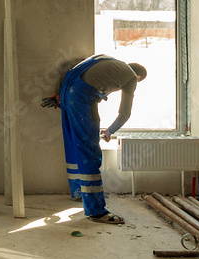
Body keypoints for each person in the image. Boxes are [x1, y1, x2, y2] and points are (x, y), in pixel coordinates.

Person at [42, 55, 147, 224]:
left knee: (74, 144)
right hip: (82, 97)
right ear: (138, 77)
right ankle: (97, 211)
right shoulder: (130, 77)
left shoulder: (108, 61)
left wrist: (61, 94)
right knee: (90, 152)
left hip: (67, 90)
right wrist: (109, 131)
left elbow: (67, 65)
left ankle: (79, 193)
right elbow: (125, 113)